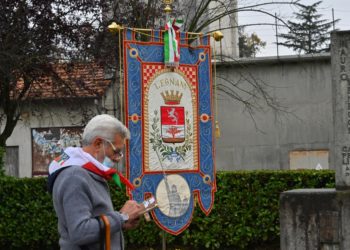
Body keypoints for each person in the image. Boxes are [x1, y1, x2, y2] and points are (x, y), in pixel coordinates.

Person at [48, 114, 144, 250]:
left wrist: (122, 223)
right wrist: (122, 217)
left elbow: (96, 222)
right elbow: (80, 232)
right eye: (116, 151)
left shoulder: (86, 173)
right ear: (98, 144)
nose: (118, 158)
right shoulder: (75, 176)